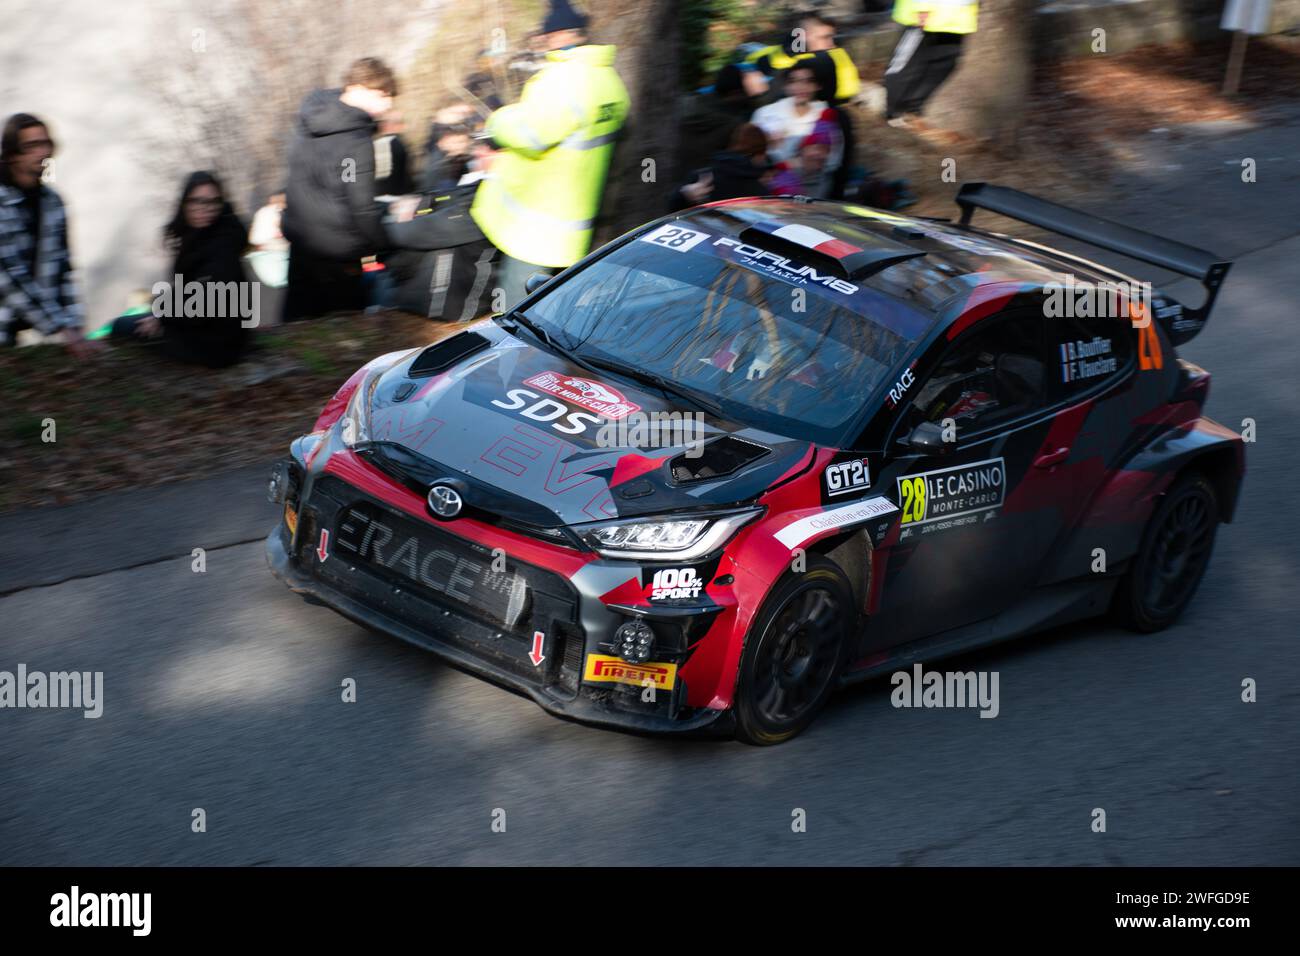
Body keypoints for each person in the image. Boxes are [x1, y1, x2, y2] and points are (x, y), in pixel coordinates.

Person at [470, 0, 630, 306]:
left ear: (559, 36)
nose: (545, 42)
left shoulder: (564, 80)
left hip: (535, 223)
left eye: (548, 35)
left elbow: (532, 134)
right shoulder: (608, 80)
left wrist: (497, 119)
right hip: (576, 223)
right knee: (551, 309)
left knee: (514, 313)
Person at [281, 57, 397, 321]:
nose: (388, 105)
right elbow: (362, 207)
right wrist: (385, 245)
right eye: (384, 95)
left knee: (299, 328)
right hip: (339, 255)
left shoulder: (310, 117)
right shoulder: (356, 141)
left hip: (300, 243)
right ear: (359, 88)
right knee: (346, 332)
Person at [111, 171, 252, 368]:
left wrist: (163, 318)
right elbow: (189, 287)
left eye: (213, 201)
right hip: (202, 327)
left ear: (221, 203)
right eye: (197, 201)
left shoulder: (224, 242)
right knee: (133, 319)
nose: (206, 208)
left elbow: (206, 299)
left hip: (216, 345)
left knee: (119, 326)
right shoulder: (197, 235)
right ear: (185, 203)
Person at [0, 113, 95, 357]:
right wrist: (61, 326)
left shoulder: (52, 203)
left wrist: (75, 323)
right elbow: (9, 275)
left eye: (45, 144)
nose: (42, 152)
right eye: (31, 146)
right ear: (11, 155)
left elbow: (63, 267)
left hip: (30, 321)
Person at [884, 0, 979, 126]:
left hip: (957, 19)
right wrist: (923, 8)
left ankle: (912, 108)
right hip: (925, 14)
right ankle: (894, 110)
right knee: (906, 65)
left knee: (944, 65)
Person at [752, 64, 842, 176]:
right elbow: (751, 156)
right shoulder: (765, 114)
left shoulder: (826, 117)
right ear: (786, 86)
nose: (801, 87)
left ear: (818, 86)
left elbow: (834, 160)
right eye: (794, 81)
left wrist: (812, 161)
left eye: (808, 81)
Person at [670, 123, 772, 211]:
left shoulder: (702, 177)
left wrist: (684, 194)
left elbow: (672, 208)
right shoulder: (760, 193)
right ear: (759, 155)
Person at [373, 110, 414, 197]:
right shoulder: (404, 143)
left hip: (386, 196)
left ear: (386, 125)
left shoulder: (382, 144)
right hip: (402, 194)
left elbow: (379, 177)